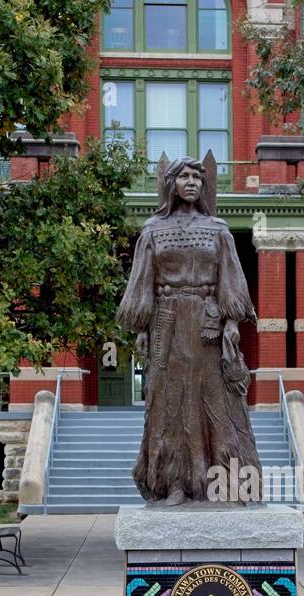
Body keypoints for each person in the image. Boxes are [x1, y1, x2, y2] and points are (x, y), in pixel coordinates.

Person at [115, 155, 261, 505]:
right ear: (171, 184)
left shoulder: (219, 230)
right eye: (183, 176)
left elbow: (231, 280)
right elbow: (143, 284)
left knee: (216, 401)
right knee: (168, 403)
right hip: (166, 320)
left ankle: (227, 484)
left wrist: (230, 324)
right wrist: (142, 329)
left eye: (197, 176)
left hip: (207, 319)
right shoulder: (153, 230)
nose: (191, 182)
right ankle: (175, 482)